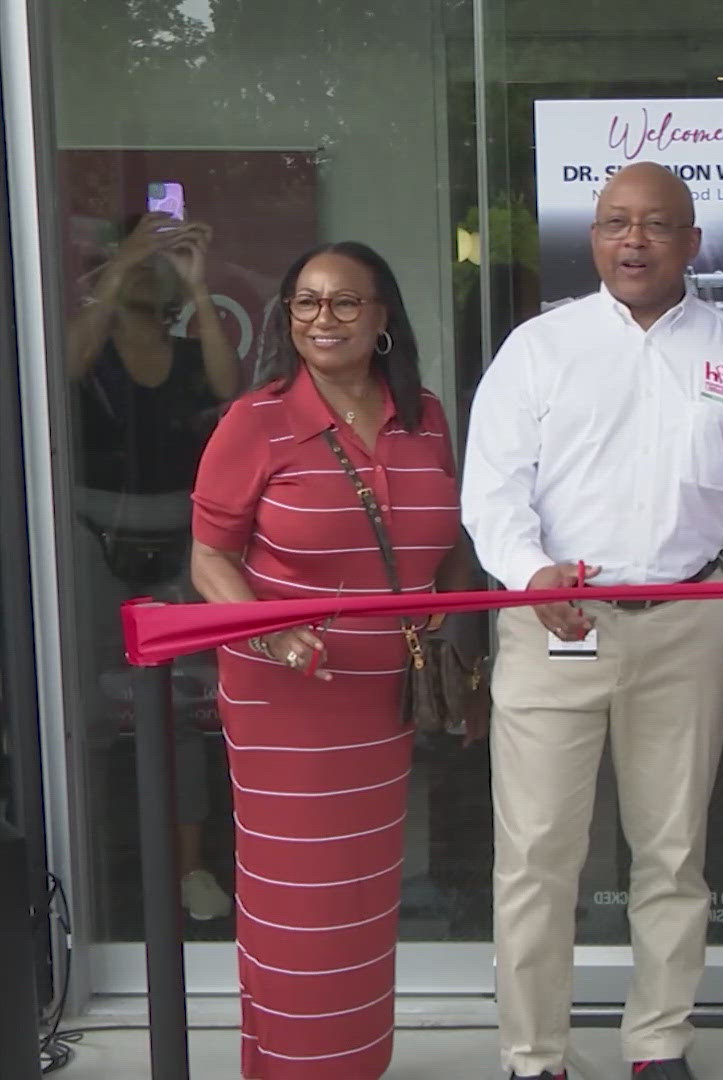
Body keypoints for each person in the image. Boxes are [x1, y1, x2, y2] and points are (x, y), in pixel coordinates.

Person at [463, 162, 723, 1080]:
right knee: (537, 855)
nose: (634, 240)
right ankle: (534, 1056)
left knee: (674, 853)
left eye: (656, 224)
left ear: (691, 242)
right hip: (555, 624)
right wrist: (531, 573)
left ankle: (660, 1045)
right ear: (593, 239)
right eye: (616, 222)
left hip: (686, 624)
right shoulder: (539, 349)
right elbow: (490, 492)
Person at [190, 242, 467, 1077]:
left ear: (382, 318)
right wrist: (270, 631)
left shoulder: (423, 415)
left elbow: (448, 534)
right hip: (286, 696)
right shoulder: (257, 419)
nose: (324, 318)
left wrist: (443, 619)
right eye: (306, 303)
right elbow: (209, 557)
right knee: (297, 892)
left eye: (345, 302)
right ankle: (288, 1063)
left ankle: (353, 1060)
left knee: (361, 888)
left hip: (382, 695)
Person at [70, 212, 240, 923]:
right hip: (89, 536)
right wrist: (119, 267)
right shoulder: (92, 348)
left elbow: (230, 394)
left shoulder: (189, 350)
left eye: (156, 262)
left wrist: (199, 290)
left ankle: (189, 867)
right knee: (83, 706)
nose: (148, 271)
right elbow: (62, 371)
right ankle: (89, 868)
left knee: (180, 709)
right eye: (139, 257)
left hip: (180, 542)